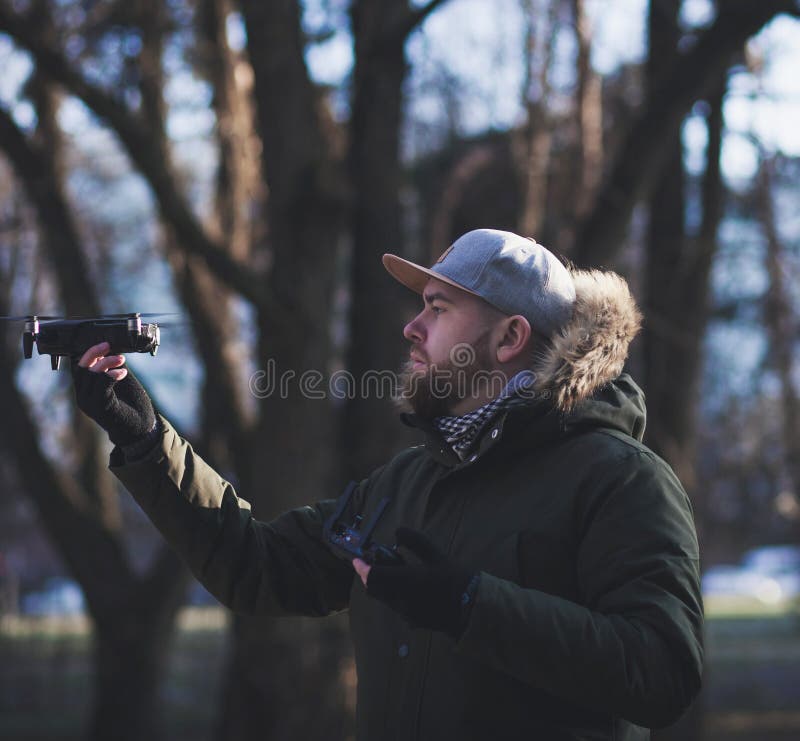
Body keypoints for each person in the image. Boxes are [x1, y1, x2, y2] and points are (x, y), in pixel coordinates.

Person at [72, 228, 703, 741]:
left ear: (510, 338)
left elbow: (662, 671)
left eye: (438, 307)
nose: (412, 328)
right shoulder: (406, 482)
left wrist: (469, 605)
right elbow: (258, 566)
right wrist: (146, 440)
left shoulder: (622, 479)